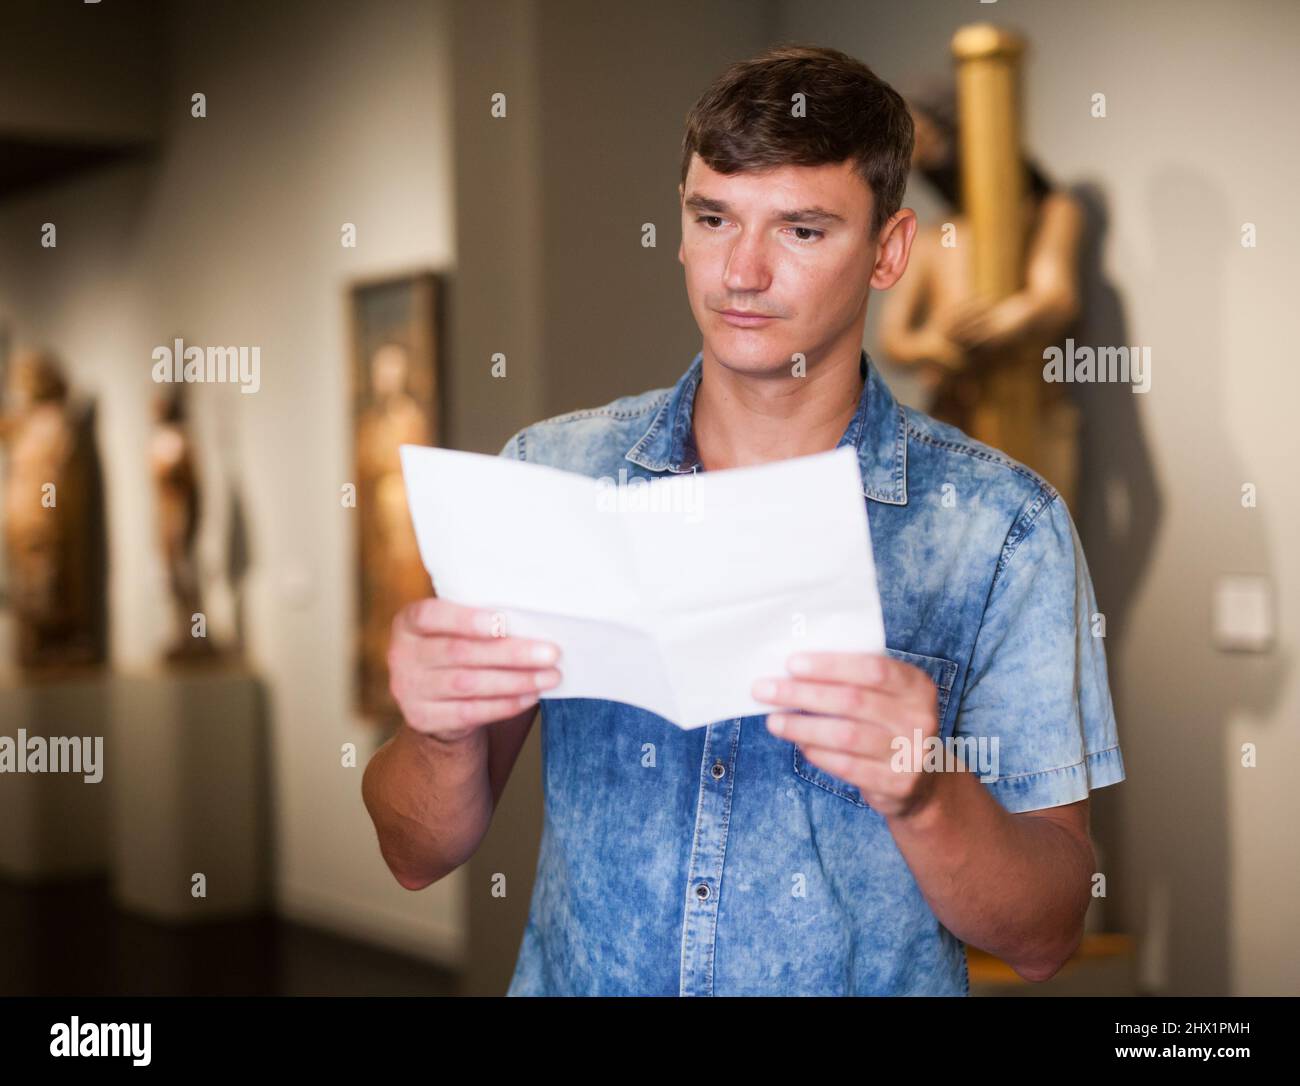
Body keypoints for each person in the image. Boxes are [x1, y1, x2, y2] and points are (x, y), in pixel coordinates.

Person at [362, 44, 1125, 996]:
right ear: (681, 226)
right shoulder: (551, 477)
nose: (743, 272)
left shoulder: (1005, 529)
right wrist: (435, 737)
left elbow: (1049, 934)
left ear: (889, 252)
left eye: (802, 231)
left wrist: (927, 791)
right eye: (714, 218)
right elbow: (413, 854)